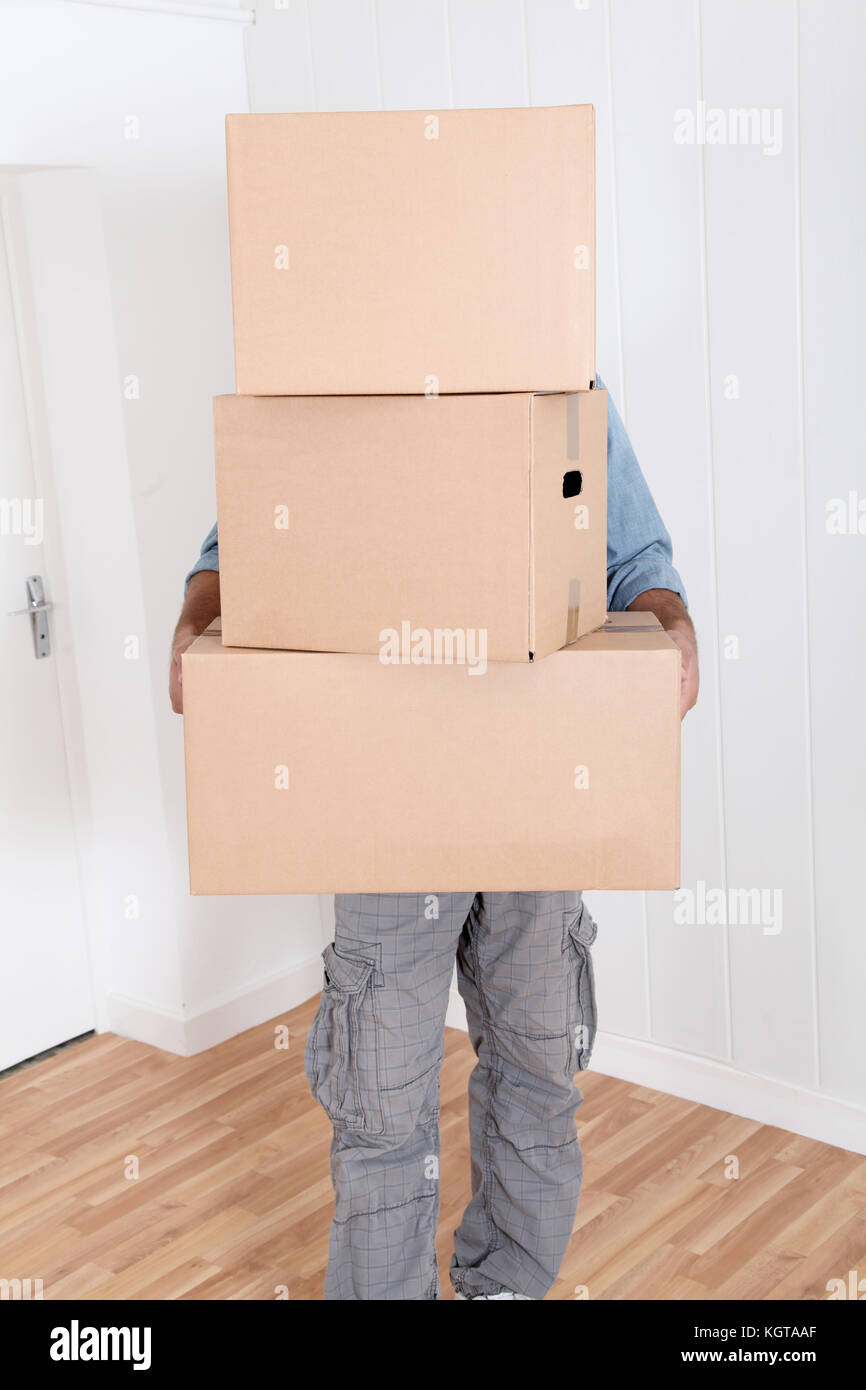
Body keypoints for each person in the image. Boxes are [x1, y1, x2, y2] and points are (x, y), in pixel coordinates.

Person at [169, 376, 698, 1301]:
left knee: (537, 1071)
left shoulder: (563, 377)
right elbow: (242, 540)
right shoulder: (330, 377)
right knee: (380, 1107)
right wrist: (198, 624)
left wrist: (670, 631)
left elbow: (635, 554)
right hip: (390, 794)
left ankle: (505, 1292)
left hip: (536, 782)